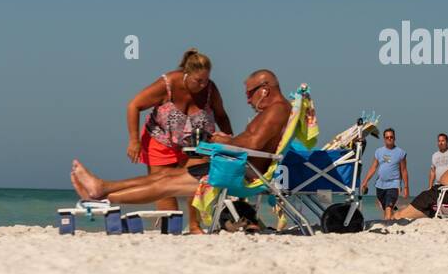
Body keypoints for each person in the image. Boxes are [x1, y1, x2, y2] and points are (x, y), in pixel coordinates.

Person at [71, 70, 291, 226]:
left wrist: (221, 142)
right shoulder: (274, 111)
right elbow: (252, 141)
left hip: (239, 173)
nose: (247, 100)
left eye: (249, 93)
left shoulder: (277, 110)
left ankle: (104, 198)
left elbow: (253, 144)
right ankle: (103, 187)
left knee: (166, 184)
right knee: (164, 176)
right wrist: (224, 140)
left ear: (264, 89)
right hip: (235, 167)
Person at [125, 49, 233, 232]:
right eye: (198, 80)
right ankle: (170, 228)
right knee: (162, 187)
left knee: (194, 180)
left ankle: (194, 224)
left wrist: (231, 141)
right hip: (160, 140)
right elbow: (133, 105)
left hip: (196, 143)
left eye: (206, 79)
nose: (203, 84)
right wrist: (134, 141)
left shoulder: (210, 89)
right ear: (186, 74)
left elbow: (221, 115)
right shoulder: (167, 84)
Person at [361, 128, 408, 219]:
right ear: (384, 139)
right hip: (380, 185)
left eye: (391, 137)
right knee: (385, 208)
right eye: (387, 137)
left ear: (394, 138)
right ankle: (390, 220)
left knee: (388, 208)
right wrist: (365, 181)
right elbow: (373, 167)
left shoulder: (401, 153)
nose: (389, 139)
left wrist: (406, 187)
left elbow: (404, 170)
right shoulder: (378, 152)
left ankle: (388, 226)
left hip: (394, 184)